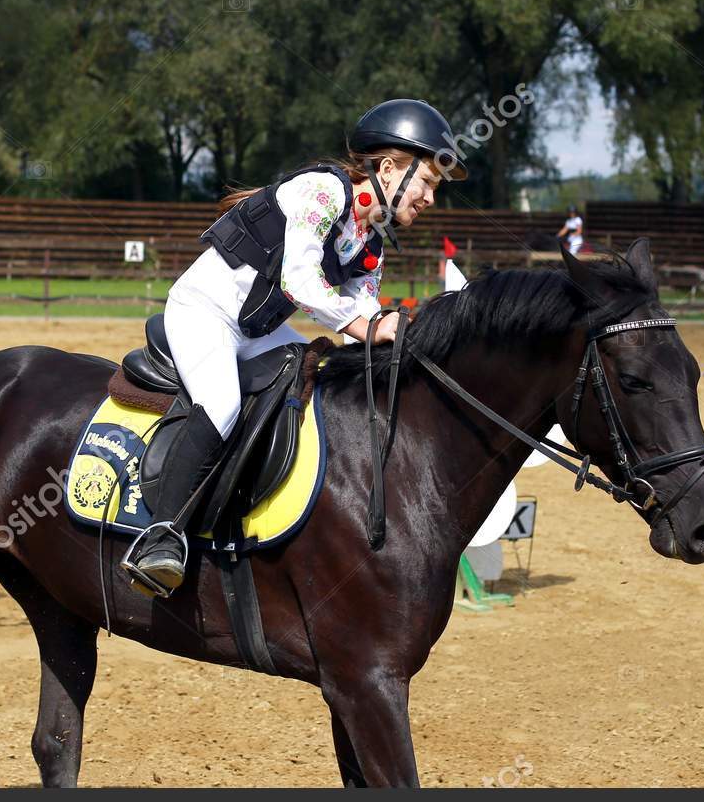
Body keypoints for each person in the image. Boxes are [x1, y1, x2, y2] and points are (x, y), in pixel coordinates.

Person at [119, 98, 466, 598]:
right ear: (388, 169)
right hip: (204, 312)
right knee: (220, 406)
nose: (432, 198)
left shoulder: (370, 241)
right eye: (429, 182)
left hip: (258, 331)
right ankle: (161, 535)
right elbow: (301, 278)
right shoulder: (323, 192)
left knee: (316, 383)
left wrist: (393, 330)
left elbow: (362, 311)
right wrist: (370, 324)